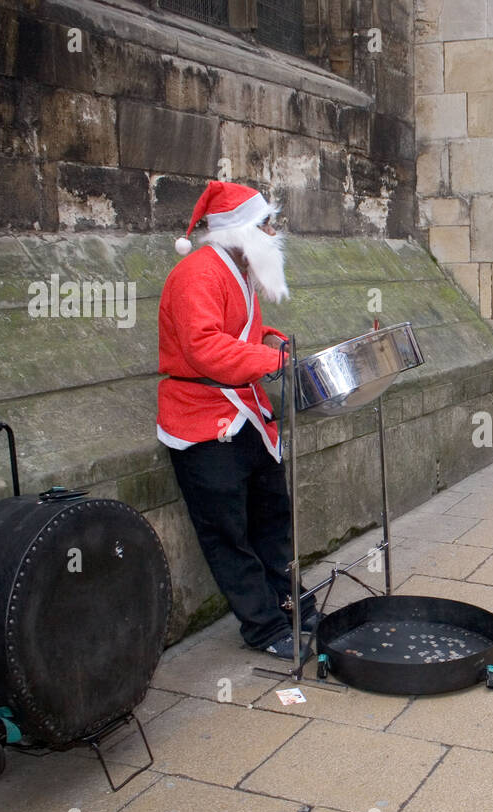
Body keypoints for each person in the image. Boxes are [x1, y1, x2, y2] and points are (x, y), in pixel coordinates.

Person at [158, 181, 316, 660]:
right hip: (203, 423)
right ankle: (264, 628)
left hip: (243, 412)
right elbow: (203, 347)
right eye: (267, 223)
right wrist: (268, 362)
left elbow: (240, 330)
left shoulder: (238, 269)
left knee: (272, 518)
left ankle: (292, 604)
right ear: (245, 229)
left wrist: (267, 339)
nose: (274, 232)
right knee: (228, 533)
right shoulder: (198, 274)